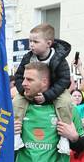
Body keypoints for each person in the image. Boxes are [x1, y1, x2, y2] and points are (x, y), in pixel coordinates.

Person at [12, 24, 74, 154]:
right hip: (31, 92)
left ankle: (64, 137)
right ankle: (16, 134)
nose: (31, 45)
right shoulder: (28, 57)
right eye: (30, 41)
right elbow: (18, 76)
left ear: (48, 43)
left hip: (54, 92)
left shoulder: (59, 58)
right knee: (17, 101)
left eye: (35, 41)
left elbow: (64, 80)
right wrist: (24, 92)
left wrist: (47, 95)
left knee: (65, 102)